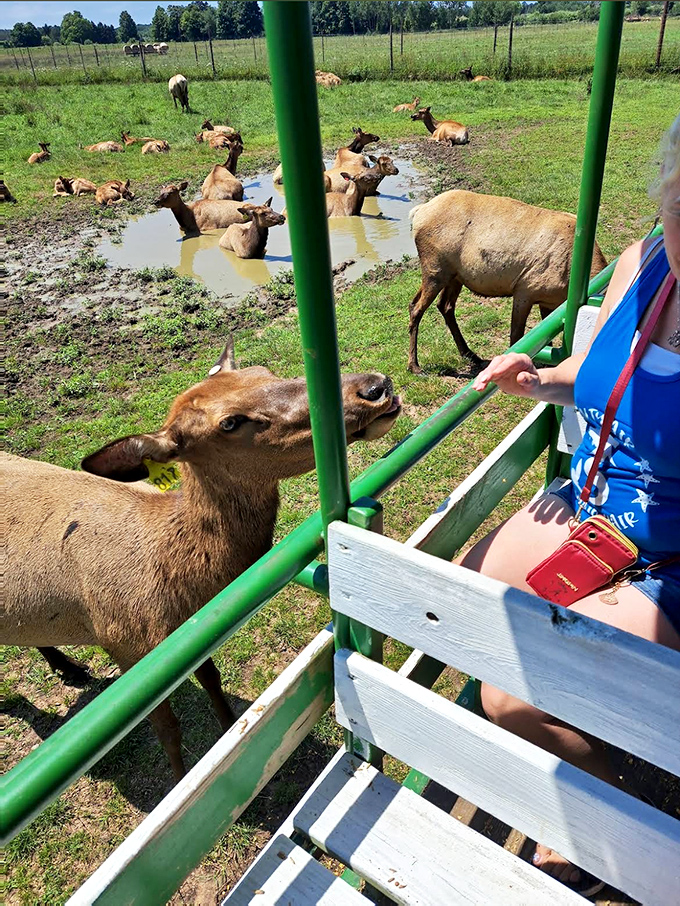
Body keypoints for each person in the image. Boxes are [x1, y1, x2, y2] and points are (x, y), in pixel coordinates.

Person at [461, 113, 680, 896]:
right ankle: (593, 742)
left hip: (671, 553)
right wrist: (541, 378)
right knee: (460, 600)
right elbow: (594, 370)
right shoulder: (644, 262)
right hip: (596, 499)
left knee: (510, 695)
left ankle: (617, 806)